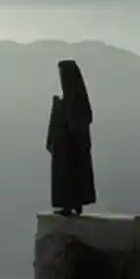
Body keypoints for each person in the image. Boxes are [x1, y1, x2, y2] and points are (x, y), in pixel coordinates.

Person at [46, 60, 96, 216]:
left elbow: (78, 124)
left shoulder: (77, 101)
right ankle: (67, 204)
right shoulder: (68, 100)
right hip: (64, 149)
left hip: (71, 150)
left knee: (71, 177)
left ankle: (73, 203)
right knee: (65, 178)